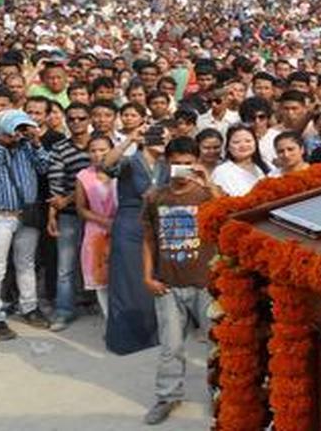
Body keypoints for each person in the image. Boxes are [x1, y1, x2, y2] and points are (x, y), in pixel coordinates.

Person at [140, 136, 220, 425]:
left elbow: (230, 215)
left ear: (197, 162)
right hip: (167, 283)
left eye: (189, 164)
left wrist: (208, 182)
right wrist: (147, 276)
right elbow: (148, 240)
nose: (183, 170)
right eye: (177, 165)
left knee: (217, 344)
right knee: (170, 346)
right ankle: (167, 396)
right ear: (166, 163)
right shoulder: (154, 197)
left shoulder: (208, 194)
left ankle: (220, 395)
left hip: (205, 283)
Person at [0, 110, 52, 340]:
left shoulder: (26, 145)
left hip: (27, 214)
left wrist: (36, 143)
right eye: (15, 128)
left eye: (22, 128)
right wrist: (0, 146)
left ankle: (29, 307)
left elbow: (44, 167)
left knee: (26, 263)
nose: (18, 133)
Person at [103, 126, 164, 354]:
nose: (161, 140)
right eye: (156, 136)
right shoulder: (130, 161)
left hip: (156, 225)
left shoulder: (165, 165)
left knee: (152, 278)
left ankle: (151, 334)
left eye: (165, 137)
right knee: (128, 281)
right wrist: (130, 139)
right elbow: (106, 165)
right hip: (129, 225)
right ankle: (125, 339)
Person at [44, 102, 95, 331]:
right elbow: (55, 184)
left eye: (81, 118)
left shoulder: (101, 145)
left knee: (99, 261)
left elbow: (100, 178)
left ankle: (99, 304)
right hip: (69, 215)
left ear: (89, 119)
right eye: (71, 118)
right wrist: (53, 214)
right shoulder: (59, 148)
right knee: (66, 266)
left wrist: (68, 198)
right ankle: (64, 310)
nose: (76, 122)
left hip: (97, 215)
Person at [74, 134, 117, 318]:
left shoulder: (123, 171)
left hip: (122, 229)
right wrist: (104, 221)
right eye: (93, 151)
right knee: (101, 279)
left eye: (102, 150)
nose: (98, 154)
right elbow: (81, 209)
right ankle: (109, 320)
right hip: (96, 231)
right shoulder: (84, 176)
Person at [210, 125, 269, 197]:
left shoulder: (265, 166)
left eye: (248, 141)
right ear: (228, 147)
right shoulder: (221, 172)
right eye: (236, 142)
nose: (243, 145)